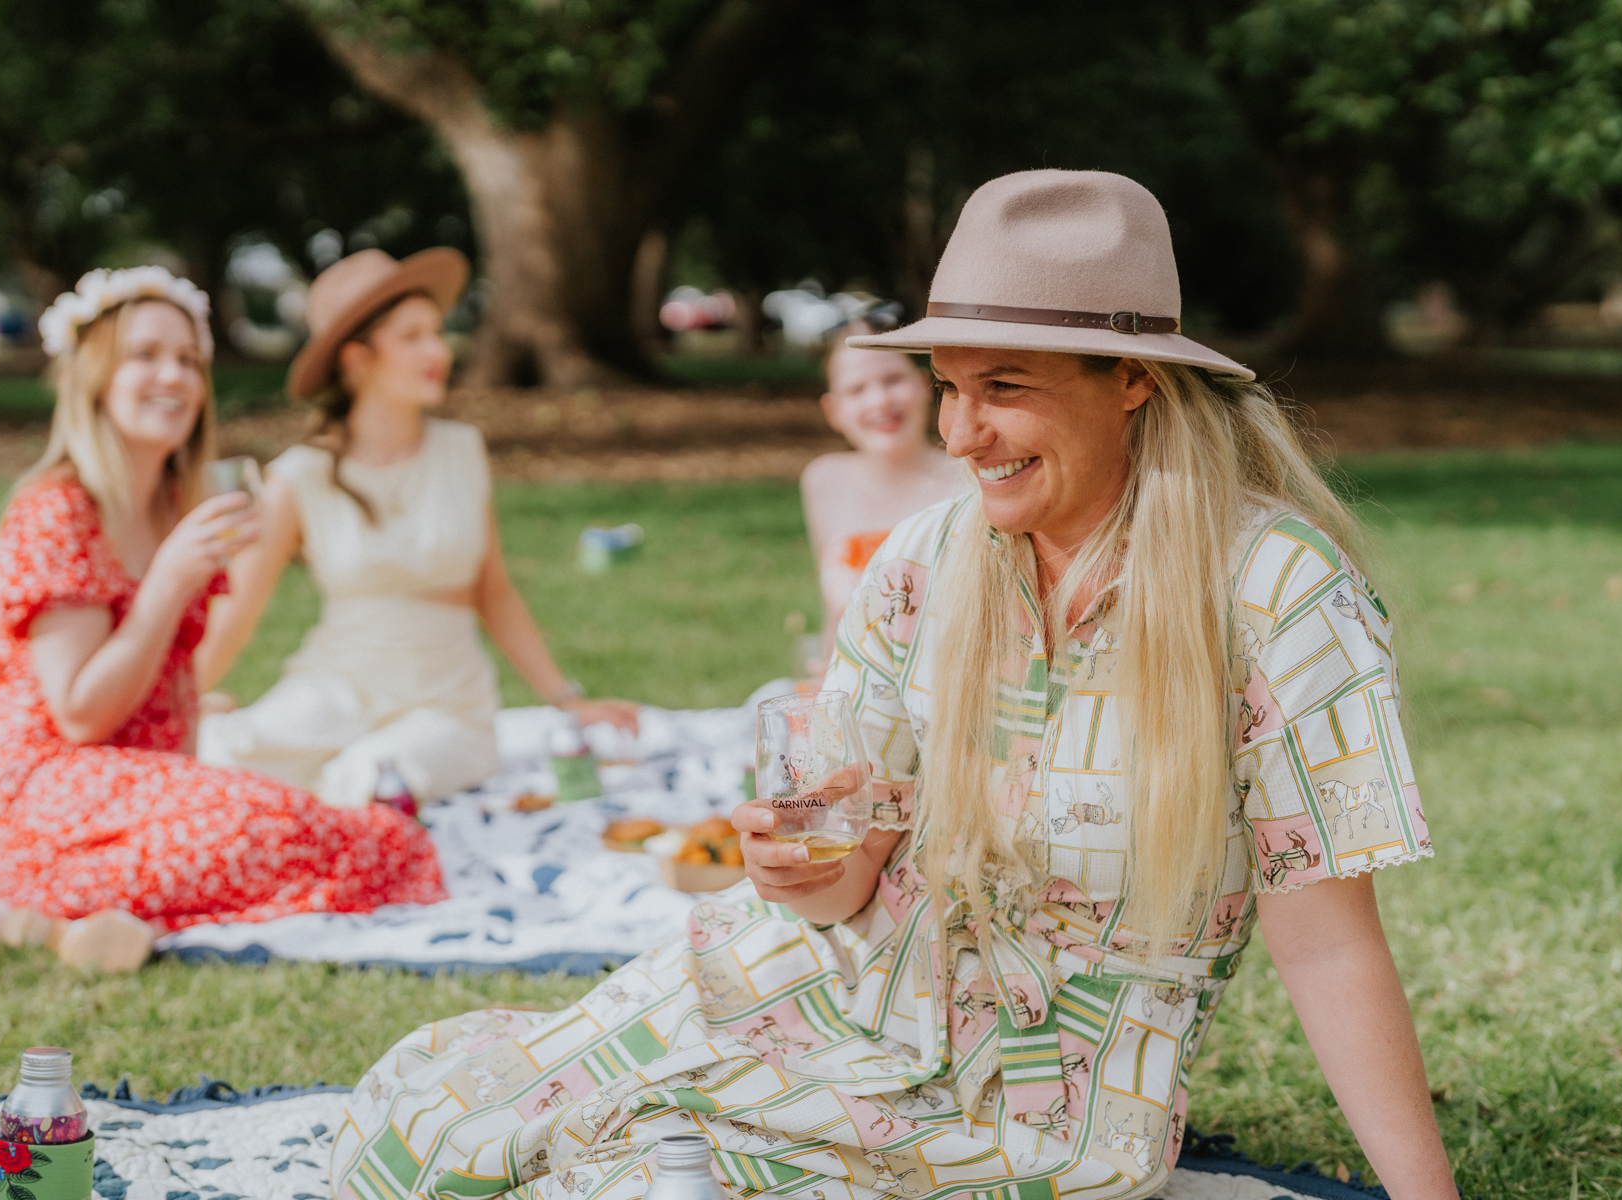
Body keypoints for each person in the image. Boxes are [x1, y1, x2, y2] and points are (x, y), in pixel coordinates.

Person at [329, 172, 1455, 1199]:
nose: (961, 432)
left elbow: (1327, 940)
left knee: (636, 1185)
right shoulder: (923, 559)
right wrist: (800, 866)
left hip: (1041, 1097)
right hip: (831, 980)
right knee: (434, 1136)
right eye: (948, 387)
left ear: (1131, 379)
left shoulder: (1274, 591)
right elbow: (844, 871)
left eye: (1002, 387)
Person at [0, 267, 444, 973]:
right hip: (46, 792)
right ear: (95, 375)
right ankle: (31, 911)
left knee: (284, 826)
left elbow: (177, 686)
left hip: (134, 787)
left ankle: (55, 919)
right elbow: (78, 718)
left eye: (189, 360)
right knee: (291, 831)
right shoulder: (58, 509)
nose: (174, 376)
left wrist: (188, 788)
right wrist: (169, 579)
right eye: (145, 355)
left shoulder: (177, 503)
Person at [195, 248, 637, 809]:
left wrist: (567, 699)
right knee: (212, 754)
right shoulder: (298, 475)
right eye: (413, 337)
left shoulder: (462, 452)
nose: (438, 350)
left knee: (373, 784)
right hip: (334, 687)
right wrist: (182, 700)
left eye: (437, 332)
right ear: (357, 358)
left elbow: (494, 592)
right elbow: (235, 611)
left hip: (446, 706)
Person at [801, 323, 966, 647]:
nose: (879, 400)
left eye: (893, 380)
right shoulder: (823, 481)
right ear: (832, 410)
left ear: (924, 385)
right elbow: (833, 616)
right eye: (856, 389)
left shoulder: (970, 481)